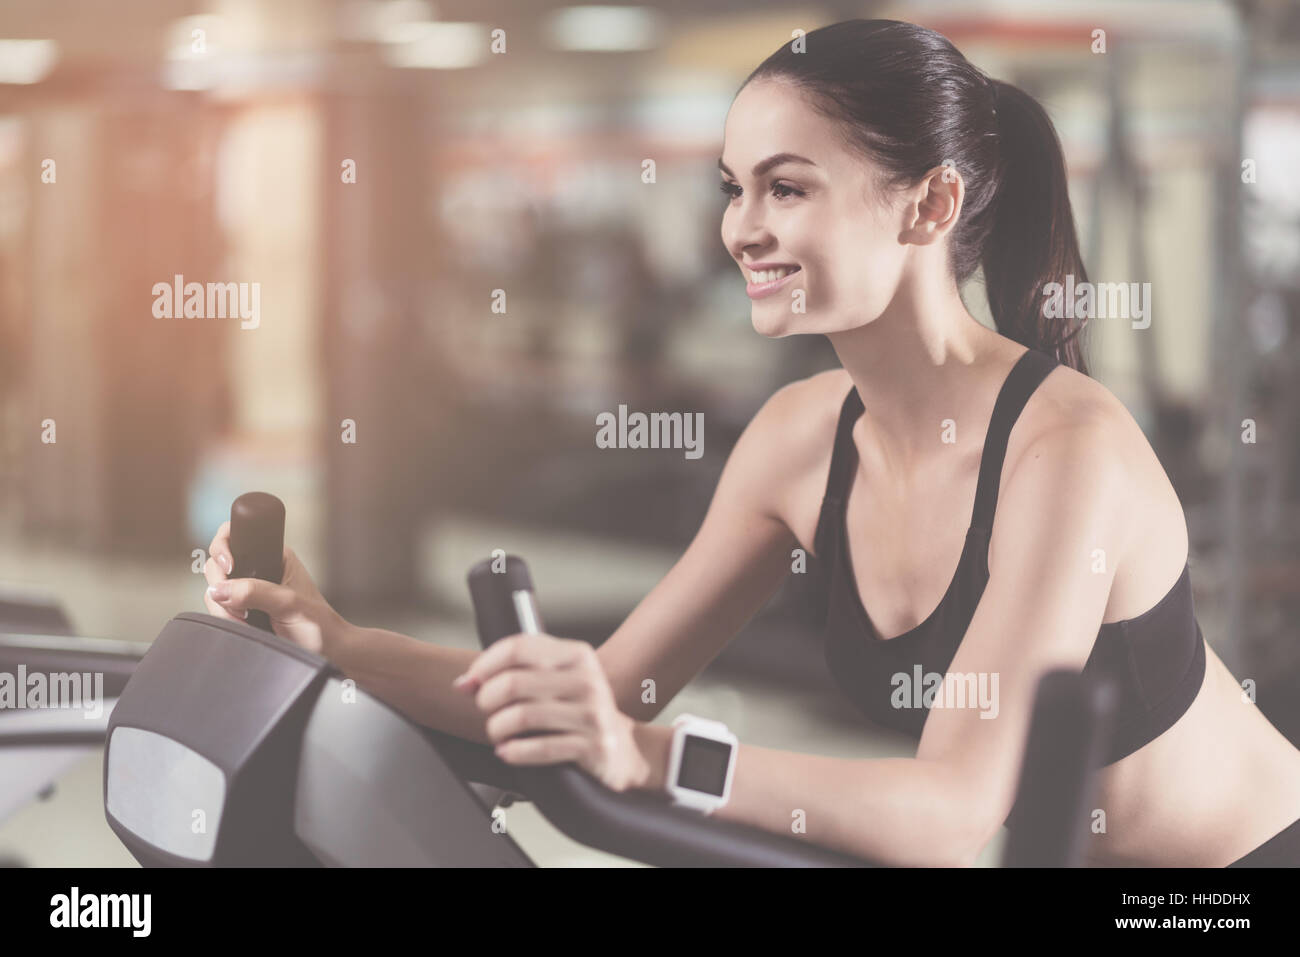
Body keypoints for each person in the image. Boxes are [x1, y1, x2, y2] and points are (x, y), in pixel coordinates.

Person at [202, 19, 1300, 867]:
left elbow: (948, 815)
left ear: (927, 209)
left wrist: (652, 759)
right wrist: (336, 638)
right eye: (733, 189)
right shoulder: (794, 441)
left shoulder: (1067, 452)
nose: (740, 228)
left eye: (787, 187)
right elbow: (607, 691)